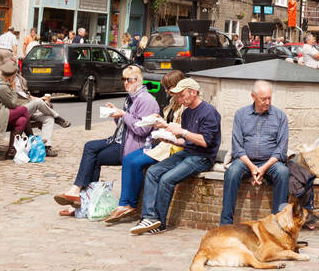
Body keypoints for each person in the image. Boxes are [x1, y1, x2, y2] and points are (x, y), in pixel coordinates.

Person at [54, 65, 159, 216]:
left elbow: (141, 130)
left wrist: (123, 114)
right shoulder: (131, 98)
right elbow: (125, 124)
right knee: (91, 150)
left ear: (137, 80)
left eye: (128, 80)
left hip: (131, 145)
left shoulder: (146, 100)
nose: (125, 83)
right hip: (118, 140)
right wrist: (116, 115)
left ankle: (79, 195)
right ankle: (82, 198)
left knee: (92, 152)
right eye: (123, 79)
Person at [130, 78, 221, 235]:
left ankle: (160, 222)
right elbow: (184, 141)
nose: (179, 99)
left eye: (182, 95)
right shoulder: (187, 113)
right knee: (152, 172)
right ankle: (150, 217)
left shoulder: (209, 112)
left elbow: (205, 141)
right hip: (187, 152)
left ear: (193, 92)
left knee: (167, 179)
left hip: (202, 157)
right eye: (177, 96)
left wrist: (182, 132)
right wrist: (169, 138)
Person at [221, 80, 316, 227]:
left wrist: (263, 168)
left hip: (271, 161)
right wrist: (252, 167)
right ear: (253, 96)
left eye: (269, 98)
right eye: (263, 99)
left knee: (283, 172)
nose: (267, 102)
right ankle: (225, 224)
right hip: (245, 160)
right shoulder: (241, 115)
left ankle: (277, 223)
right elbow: (238, 147)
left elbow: (281, 149)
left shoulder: (280, 116)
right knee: (232, 173)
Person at [104, 70, 185, 225]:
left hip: (170, 147)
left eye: (168, 89)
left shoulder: (183, 106)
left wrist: (163, 125)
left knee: (136, 162)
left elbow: (180, 130)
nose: (166, 92)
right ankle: (124, 203)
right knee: (128, 159)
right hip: (160, 142)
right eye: (166, 89)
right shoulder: (172, 103)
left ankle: (131, 204)